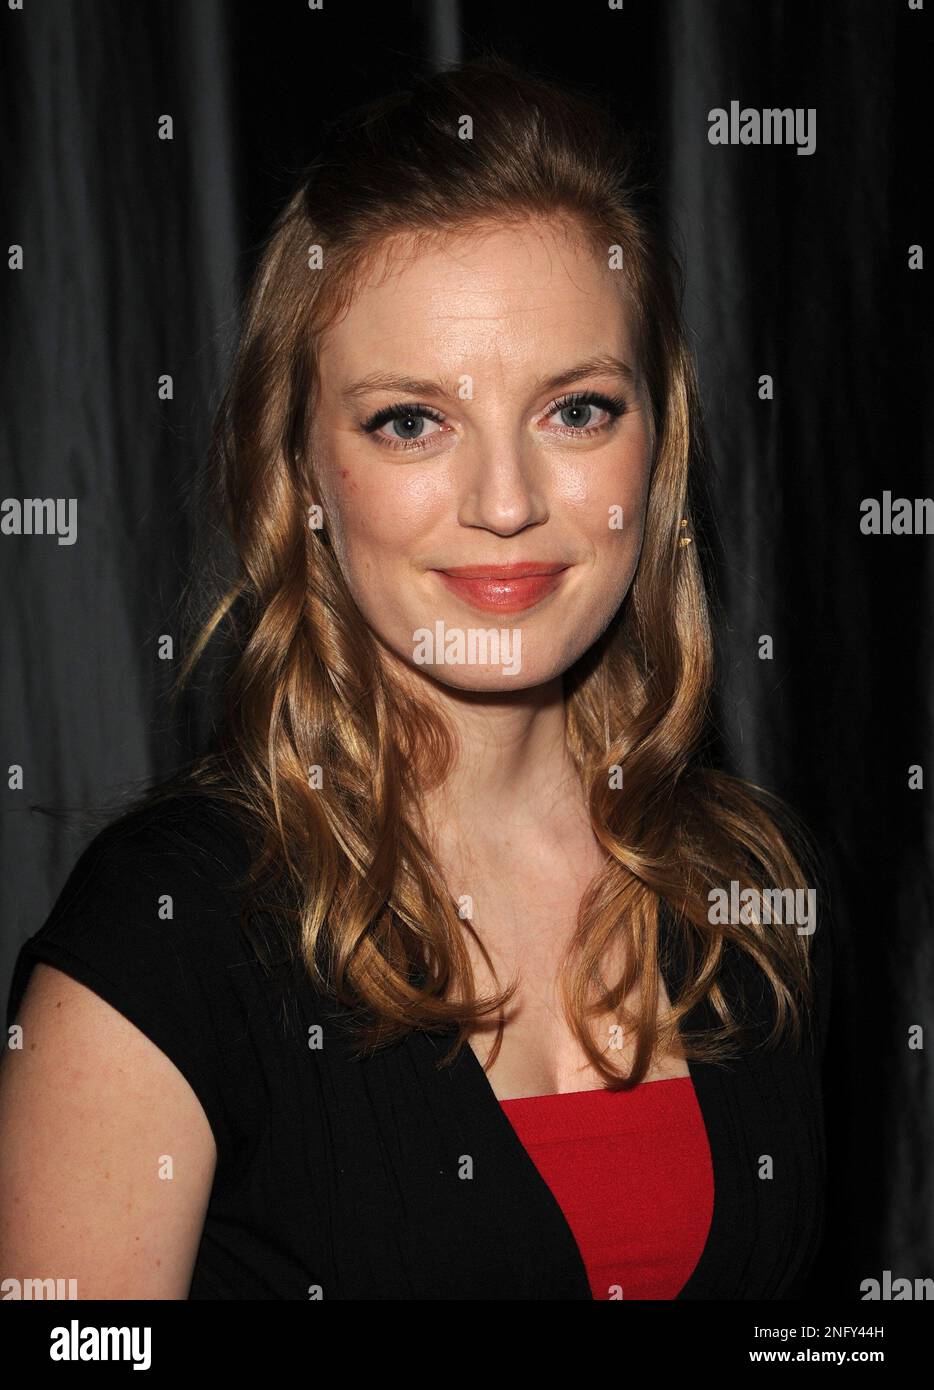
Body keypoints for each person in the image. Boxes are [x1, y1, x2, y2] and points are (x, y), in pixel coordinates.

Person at [0, 53, 831, 1301]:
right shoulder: (166, 936)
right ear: (302, 482)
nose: (505, 503)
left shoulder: (746, 890)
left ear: (655, 453)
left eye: (576, 410)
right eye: (410, 420)